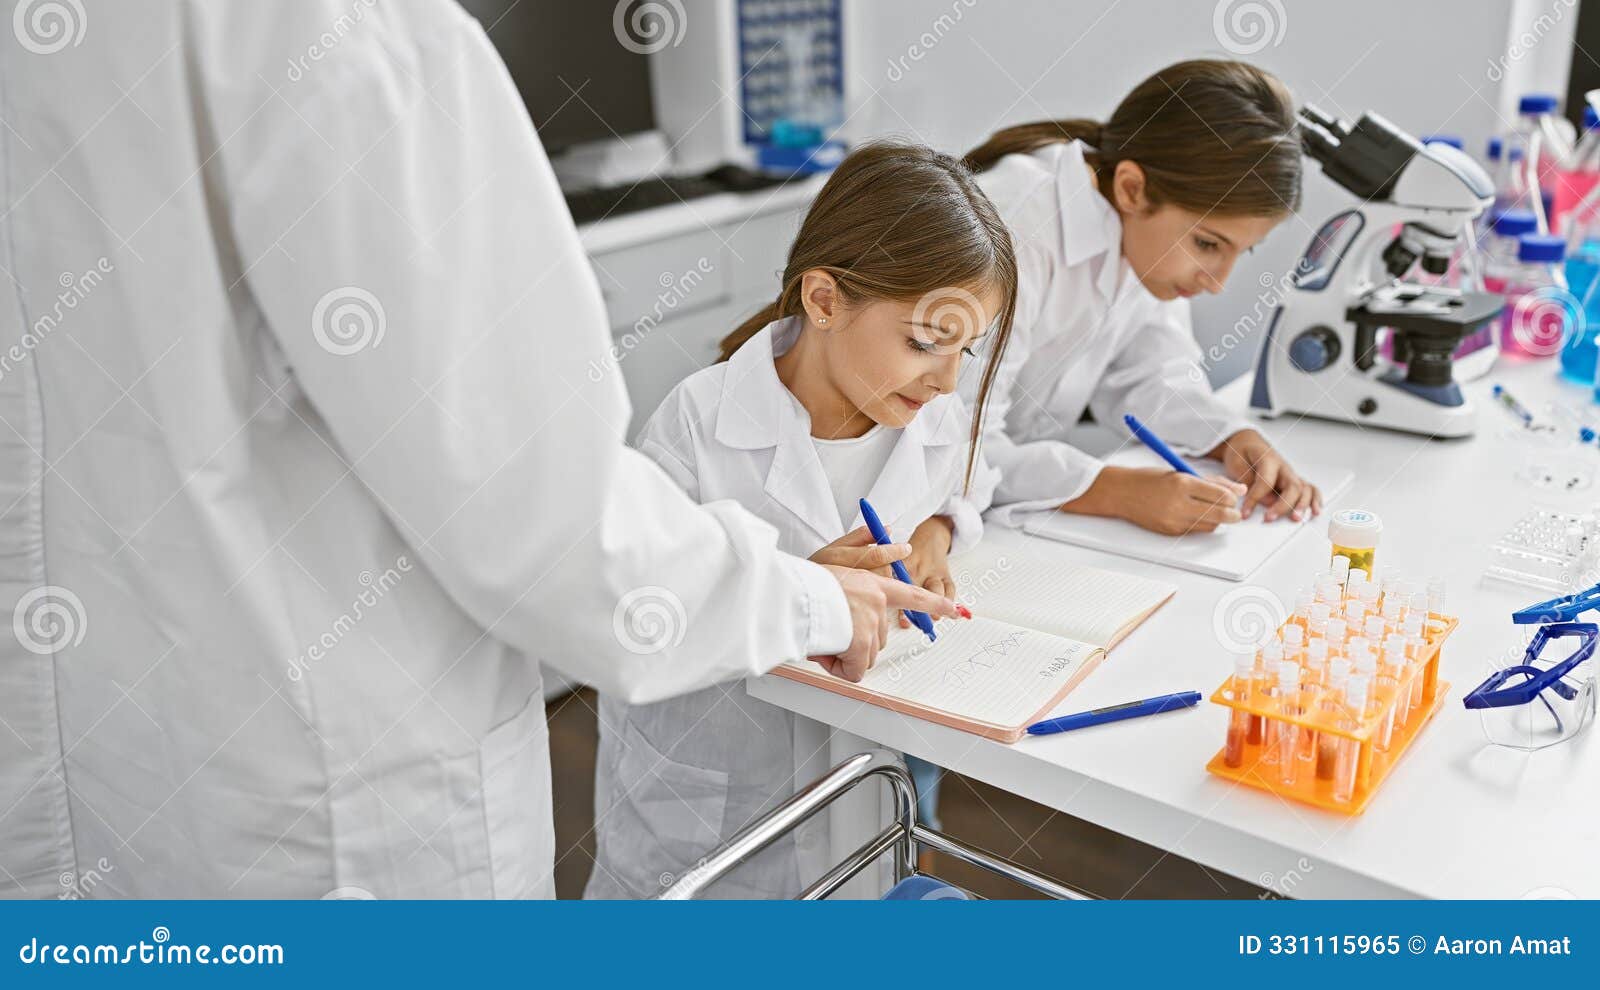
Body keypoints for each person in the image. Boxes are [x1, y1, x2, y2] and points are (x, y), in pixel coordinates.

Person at [0, 0, 956, 899]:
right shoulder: (349, 37)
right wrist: (808, 595)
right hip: (329, 835)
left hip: (97, 811)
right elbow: (548, 521)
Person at [585, 141, 1015, 899]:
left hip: (857, 793)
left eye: (967, 351)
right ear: (823, 301)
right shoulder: (699, 422)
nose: (948, 381)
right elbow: (632, 622)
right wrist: (800, 594)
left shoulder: (932, 420)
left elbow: (974, 478)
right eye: (924, 343)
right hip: (712, 806)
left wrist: (940, 528)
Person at [960, 59, 1323, 537]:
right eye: (1209, 245)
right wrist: (1115, 491)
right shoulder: (1012, 231)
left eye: (1240, 251)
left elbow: (1153, 374)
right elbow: (954, 445)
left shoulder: (1142, 238)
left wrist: (1228, 437)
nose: (1217, 282)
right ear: (1133, 188)